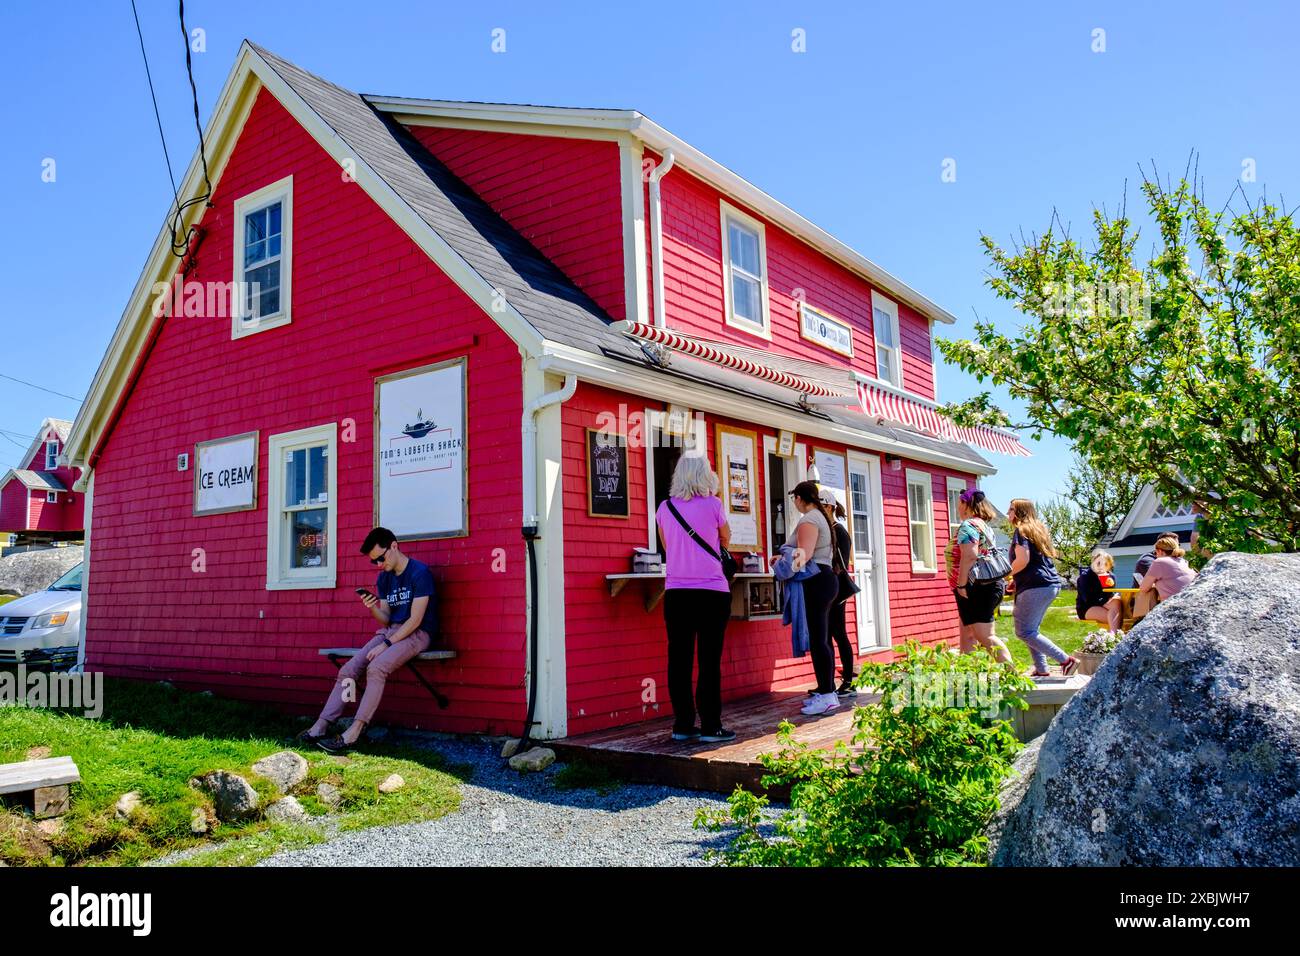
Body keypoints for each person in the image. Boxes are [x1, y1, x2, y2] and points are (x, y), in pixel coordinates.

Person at [301, 527, 437, 754]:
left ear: (394, 546)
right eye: (374, 561)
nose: (378, 564)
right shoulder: (384, 577)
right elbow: (386, 620)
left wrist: (387, 644)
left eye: (381, 558)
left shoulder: (419, 573)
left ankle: (355, 730)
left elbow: (415, 620)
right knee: (348, 669)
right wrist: (372, 606)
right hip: (391, 631)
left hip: (417, 633)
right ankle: (322, 725)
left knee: (377, 667)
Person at [655, 455, 735, 744]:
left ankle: (683, 724)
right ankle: (712, 726)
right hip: (713, 592)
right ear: (705, 476)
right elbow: (726, 539)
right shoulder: (714, 505)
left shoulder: (665, 508)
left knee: (679, 660)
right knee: (709, 660)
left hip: (677, 592)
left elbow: (667, 546)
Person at [779, 480, 841, 716]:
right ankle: (828, 693)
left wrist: (782, 567)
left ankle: (826, 695)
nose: (793, 502)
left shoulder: (809, 519)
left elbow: (802, 556)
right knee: (821, 638)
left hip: (816, 581)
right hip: (825, 580)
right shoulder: (820, 517)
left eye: (794, 497)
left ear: (799, 498)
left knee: (818, 639)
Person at [1007, 498, 1079, 678]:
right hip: (1049, 584)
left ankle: (1066, 660)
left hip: (1035, 586)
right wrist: (1016, 579)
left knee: (1025, 631)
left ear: (1019, 512)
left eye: (1010, 510)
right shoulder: (1038, 530)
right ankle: (1041, 668)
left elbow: (1023, 560)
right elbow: (1036, 562)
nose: (1008, 513)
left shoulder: (1021, 531)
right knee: (1031, 629)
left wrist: (1005, 573)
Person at [948, 488, 1013, 664]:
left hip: (976, 587)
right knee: (968, 635)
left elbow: (970, 555)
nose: (957, 509)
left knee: (985, 636)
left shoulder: (968, 526)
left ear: (965, 504)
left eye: (958, 504)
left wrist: (961, 585)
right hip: (983, 586)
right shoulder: (983, 525)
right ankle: (968, 677)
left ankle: (1013, 675)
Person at [821, 487, 857, 697]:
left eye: (821, 506)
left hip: (837, 588)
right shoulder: (824, 529)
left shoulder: (839, 531)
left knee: (839, 634)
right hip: (826, 588)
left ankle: (849, 682)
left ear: (829, 507)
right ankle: (828, 682)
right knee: (825, 636)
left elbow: (840, 563)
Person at [1075, 550, 1125, 632]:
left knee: (1117, 603)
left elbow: (1109, 595)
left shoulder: (1111, 577)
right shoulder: (1085, 576)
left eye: (1105, 564)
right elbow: (1088, 599)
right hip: (1087, 607)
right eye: (1098, 563)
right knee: (1118, 619)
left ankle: (1112, 635)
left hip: (1104, 604)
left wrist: (1111, 593)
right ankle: (1114, 636)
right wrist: (1106, 600)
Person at [1139, 533, 1198, 602]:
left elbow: (1144, 588)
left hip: (1173, 605)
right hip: (1192, 601)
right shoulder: (1184, 561)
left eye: (1156, 552)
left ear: (1159, 551)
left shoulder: (1159, 562)